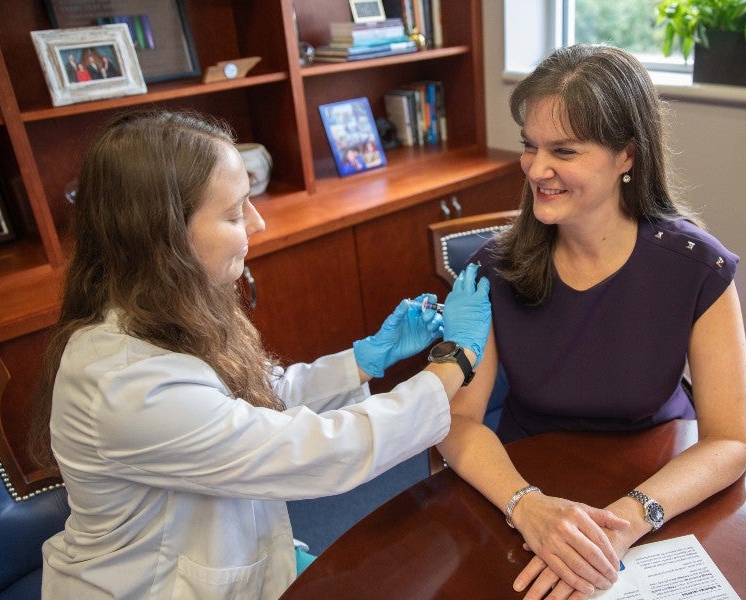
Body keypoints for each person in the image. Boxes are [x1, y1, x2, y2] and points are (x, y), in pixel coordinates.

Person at [30, 109, 491, 599]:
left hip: (229, 560)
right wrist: (454, 362)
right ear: (161, 237)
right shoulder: (123, 385)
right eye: (233, 213)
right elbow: (313, 450)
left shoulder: (166, 311)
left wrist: (363, 358)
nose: (258, 221)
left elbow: (256, 401)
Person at [436, 44, 746, 600]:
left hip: (659, 483)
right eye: (530, 147)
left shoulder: (695, 268)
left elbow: (731, 437)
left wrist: (627, 520)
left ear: (626, 156)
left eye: (564, 150)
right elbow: (456, 422)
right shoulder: (494, 267)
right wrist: (527, 506)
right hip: (527, 482)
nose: (537, 169)